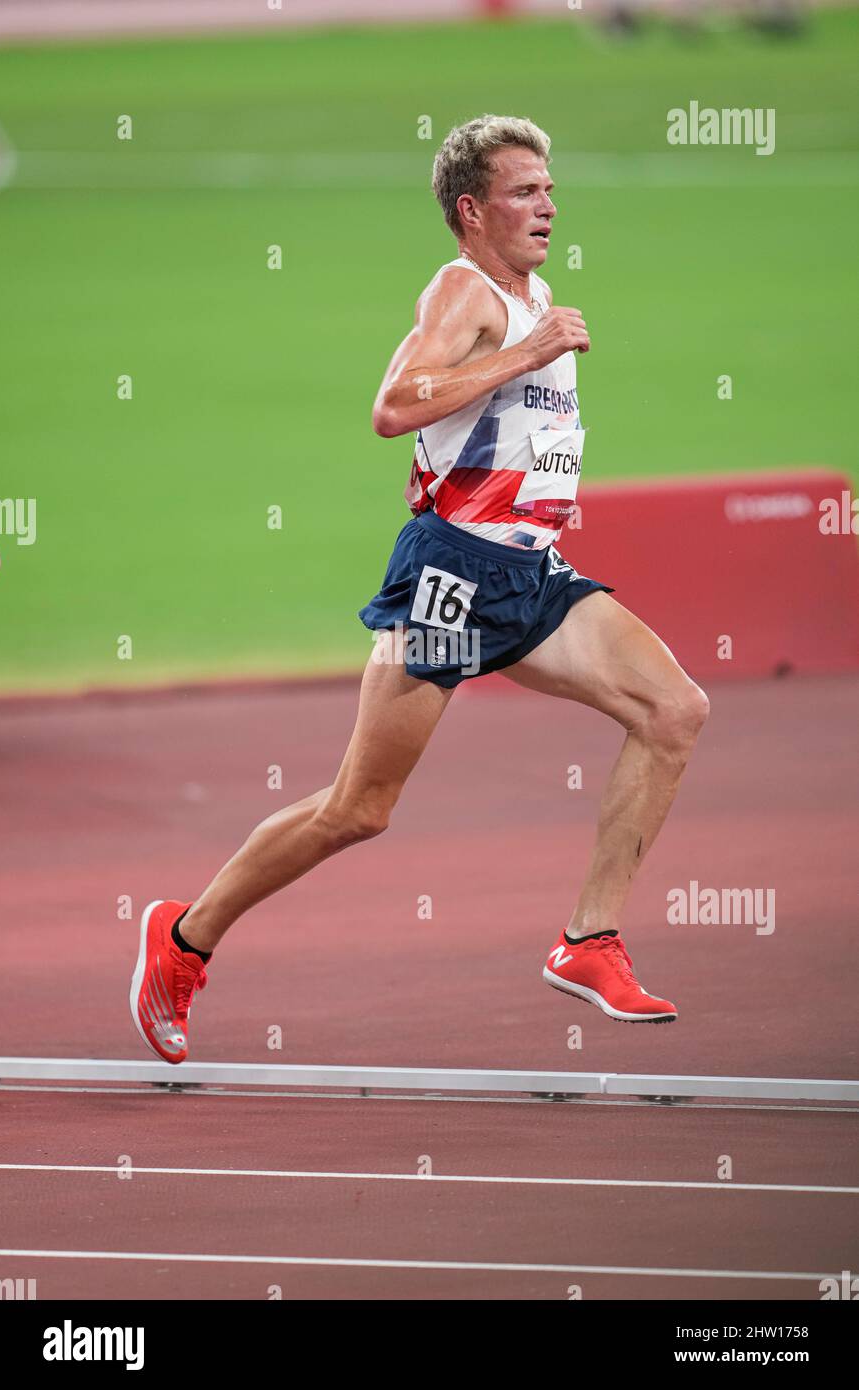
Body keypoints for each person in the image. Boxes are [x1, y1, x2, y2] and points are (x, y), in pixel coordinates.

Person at [131, 115, 708, 1065]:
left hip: (529, 574)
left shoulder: (534, 295)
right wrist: (528, 354)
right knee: (359, 809)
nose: (548, 205)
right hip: (450, 575)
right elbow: (394, 408)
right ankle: (183, 941)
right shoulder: (464, 291)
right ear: (471, 211)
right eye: (526, 191)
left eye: (550, 188)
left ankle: (588, 940)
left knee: (674, 711)